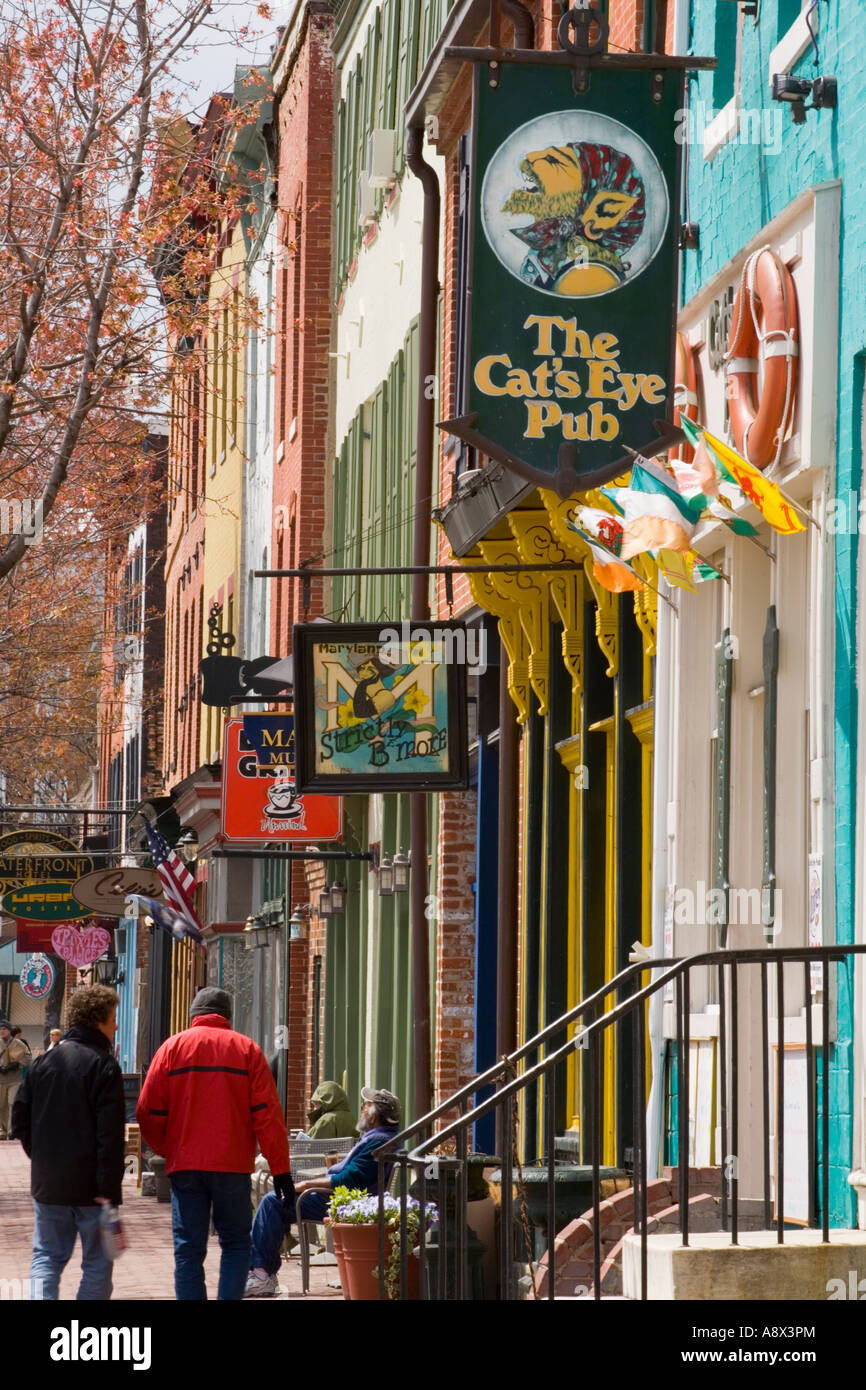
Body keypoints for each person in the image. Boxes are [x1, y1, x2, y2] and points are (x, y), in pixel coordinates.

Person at [137, 986, 292, 1301]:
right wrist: (281, 1169)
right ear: (228, 1017)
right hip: (232, 1165)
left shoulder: (171, 1049)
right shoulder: (247, 1050)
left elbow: (147, 1110)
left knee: (188, 1249)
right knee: (236, 1243)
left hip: (186, 1165)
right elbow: (268, 1116)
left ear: (194, 1015)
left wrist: (165, 1148)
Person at [10, 985, 124, 1300]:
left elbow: (20, 1120)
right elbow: (110, 1134)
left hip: (49, 1184)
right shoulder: (104, 1065)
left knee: (46, 1257)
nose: (116, 1025)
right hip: (93, 1188)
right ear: (98, 1019)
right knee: (98, 1262)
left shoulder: (43, 1064)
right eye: (113, 1017)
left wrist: (42, 1156)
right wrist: (109, 1187)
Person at [244, 1086, 400, 1298]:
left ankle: (261, 1275)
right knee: (274, 1202)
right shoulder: (379, 1137)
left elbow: (349, 1180)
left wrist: (304, 1185)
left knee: (273, 1201)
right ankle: (262, 1271)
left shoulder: (378, 1141)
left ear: (375, 1114)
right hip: (343, 1197)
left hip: (345, 1202)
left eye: (367, 1105)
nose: (362, 1108)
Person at [0, 1020, 30, 1139]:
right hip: (0, 1079)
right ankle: (2, 1131)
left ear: (9, 1030)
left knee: (12, 1104)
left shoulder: (18, 1043)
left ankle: (12, 1130)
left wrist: (17, 1064)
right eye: (0, 1029)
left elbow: (28, 1057)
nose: (2, 1031)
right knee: (1, 1106)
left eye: (4, 1029)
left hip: (14, 1079)